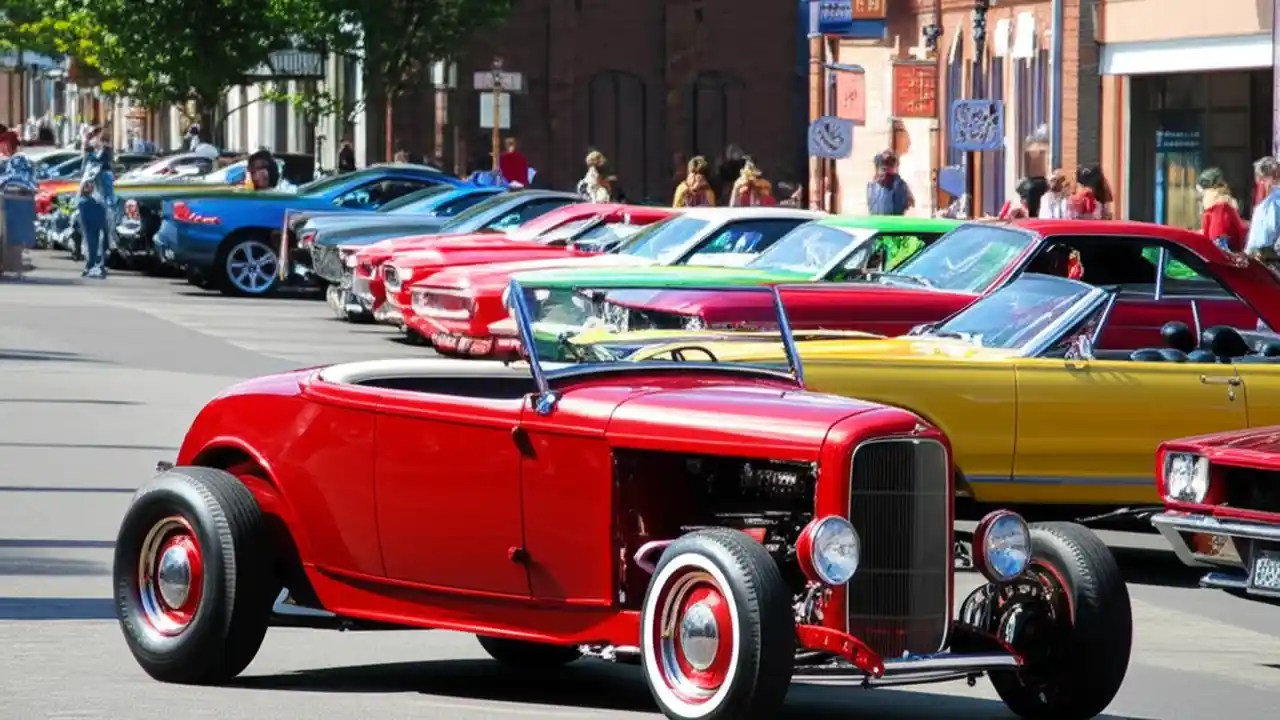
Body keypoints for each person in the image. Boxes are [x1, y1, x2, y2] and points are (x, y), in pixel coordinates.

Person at [77, 125, 116, 278]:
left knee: (98, 236)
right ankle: (93, 264)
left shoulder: (100, 166)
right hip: (90, 203)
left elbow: (108, 190)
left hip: (96, 204)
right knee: (92, 236)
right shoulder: (91, 164)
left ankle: (96, 264)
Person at [1197, 167, 1248, 252]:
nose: (1201, 199)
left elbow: (1219, 244)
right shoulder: (1222, 208)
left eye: (1202, 194)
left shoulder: (1219, 210)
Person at [866, 150, 914, 216]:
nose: (884, 170)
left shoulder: (899, 185)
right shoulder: (872, 186)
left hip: (893, 224)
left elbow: (907, 205)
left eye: (888, 164)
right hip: (878, 223)